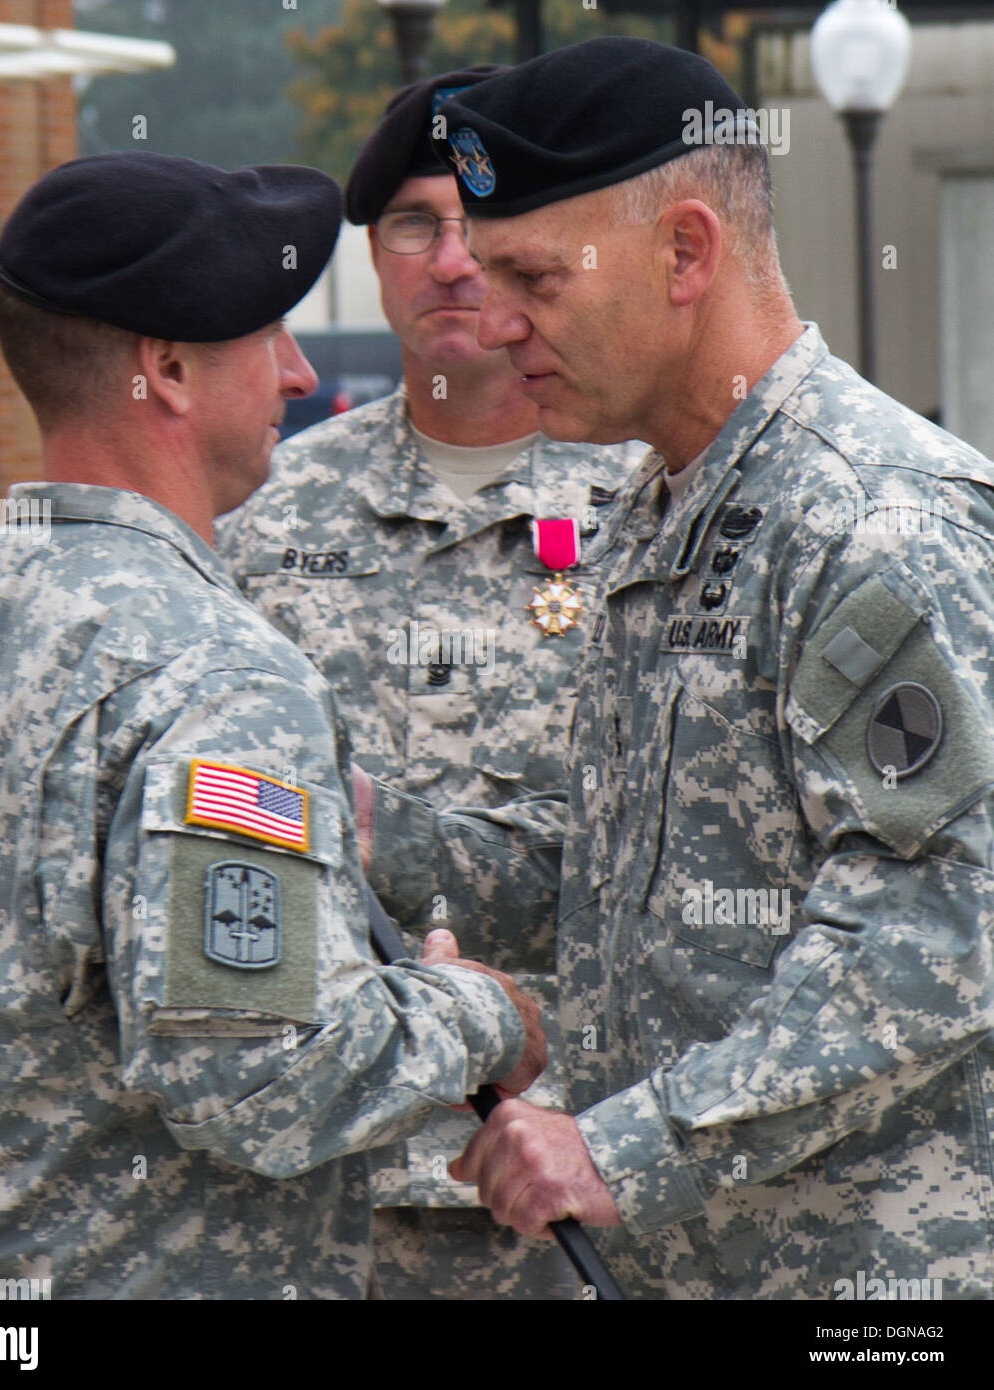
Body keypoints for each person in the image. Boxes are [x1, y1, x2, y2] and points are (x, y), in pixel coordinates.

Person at [373, 36, 994, 1299]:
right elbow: (617, 859)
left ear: (687, 252)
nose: (492, 327)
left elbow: (940, 922)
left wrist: (630, 1144)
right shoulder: (664, 504)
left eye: (533, 278)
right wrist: (377, 831)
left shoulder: (871, 520)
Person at [0, 151, 546, 1301]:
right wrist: (479, 1011)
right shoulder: (220, 670)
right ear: (172, 371)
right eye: (269, 336)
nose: (299, 375)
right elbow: (256, 1079)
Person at [217, 69, 644, 1300]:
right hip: (322, 1173)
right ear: (373, 251)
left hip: (571, 1171)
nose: (452, 261)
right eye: (414, 223)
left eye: (478, 223)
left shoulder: (647, 505)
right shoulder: (265, 508)